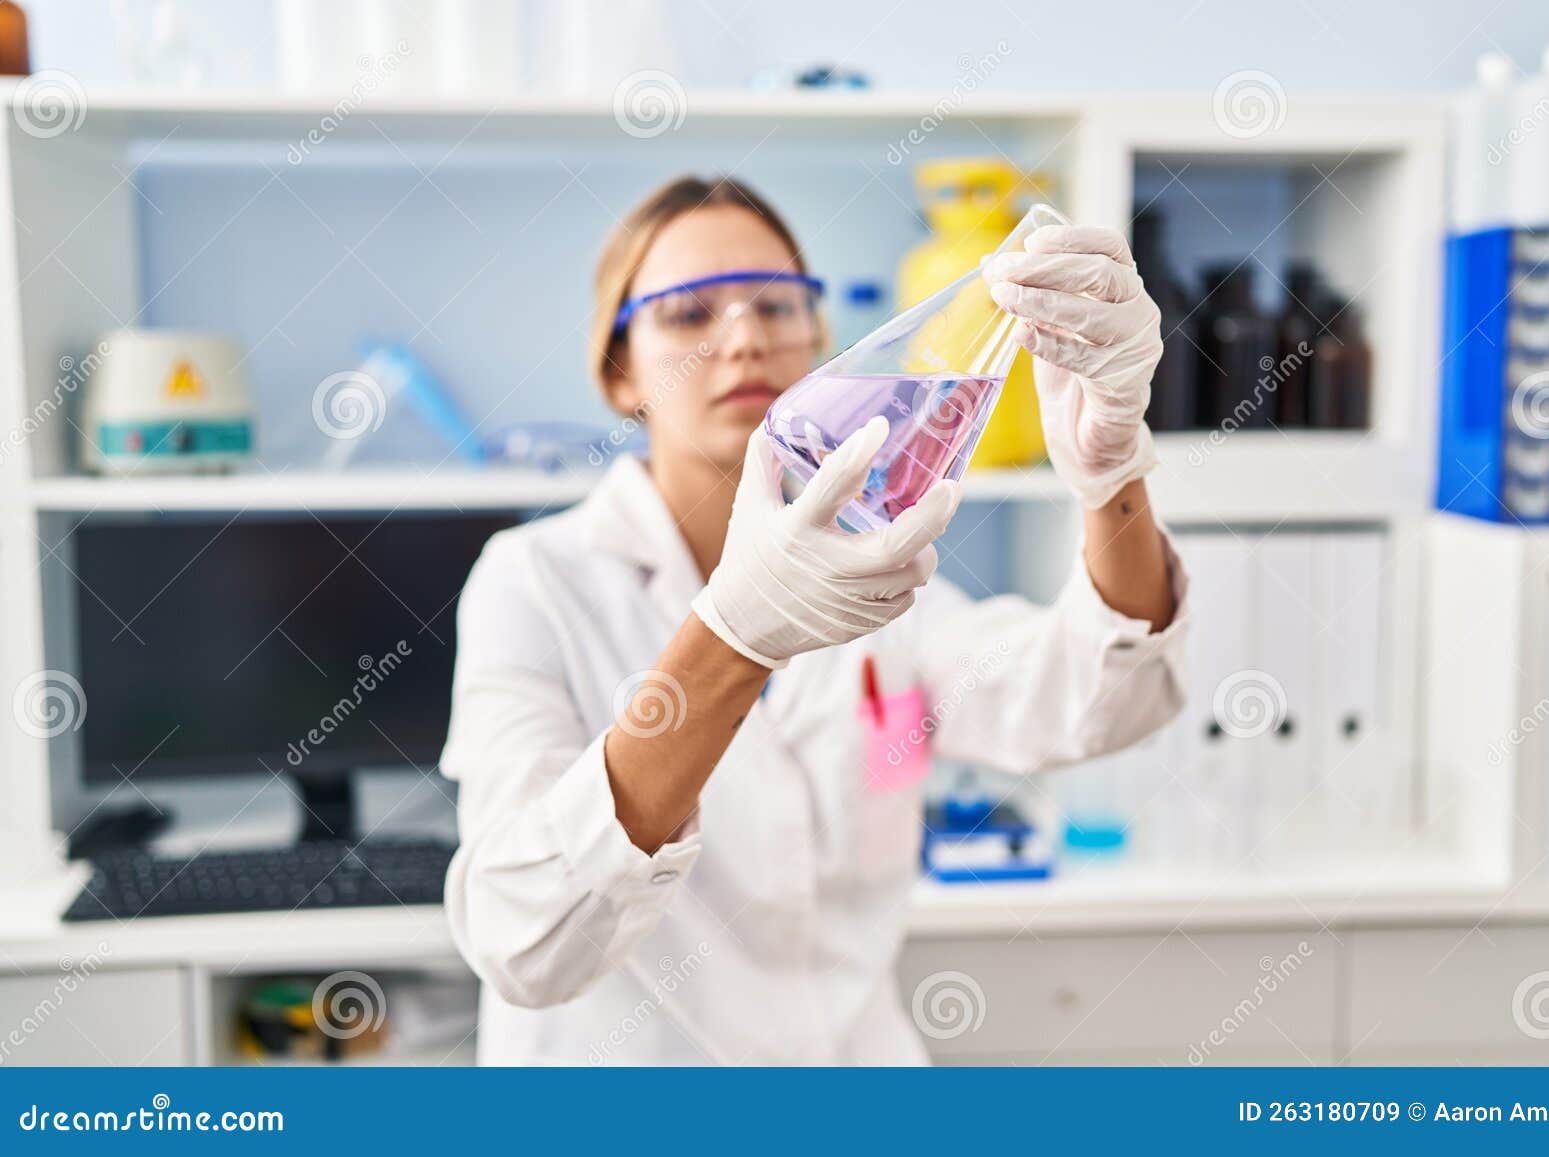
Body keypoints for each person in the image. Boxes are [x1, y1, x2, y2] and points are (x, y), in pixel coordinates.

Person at [441, 175, 1190, 1065]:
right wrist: (732, 635)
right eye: (687, 314)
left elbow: (1101, 698)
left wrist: (1111, 476)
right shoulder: (534, 583)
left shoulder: (878, 564)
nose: (746, 337)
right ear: (618, 372)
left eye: (779, 305)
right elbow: (524, 939)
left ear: (822, 344)